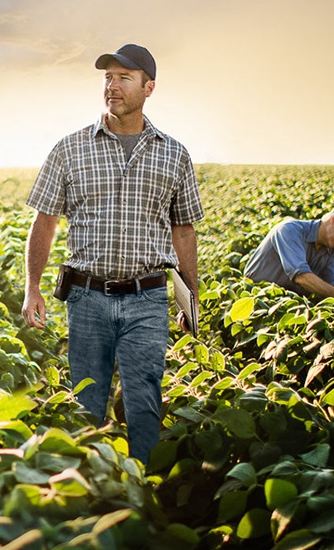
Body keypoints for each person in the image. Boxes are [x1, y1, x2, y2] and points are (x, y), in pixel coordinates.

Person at [22, 42, 203, 463]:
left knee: (144, 402)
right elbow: (44, 221)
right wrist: (33, 287)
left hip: (147, 299)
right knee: (86, 404)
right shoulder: (69, 149)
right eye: (108, 78)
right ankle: (89, 497)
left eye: (124, 78)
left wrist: (190, 297)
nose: (113, 86)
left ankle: (141, 497)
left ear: (149, 87)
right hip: (87, 298)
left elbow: (184, 231)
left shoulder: (174, 154)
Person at [243, 207, 334, 306]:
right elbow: (301, 276)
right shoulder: (289, 230)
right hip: (255, 300)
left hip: (287, 305)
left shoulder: (331, 253)